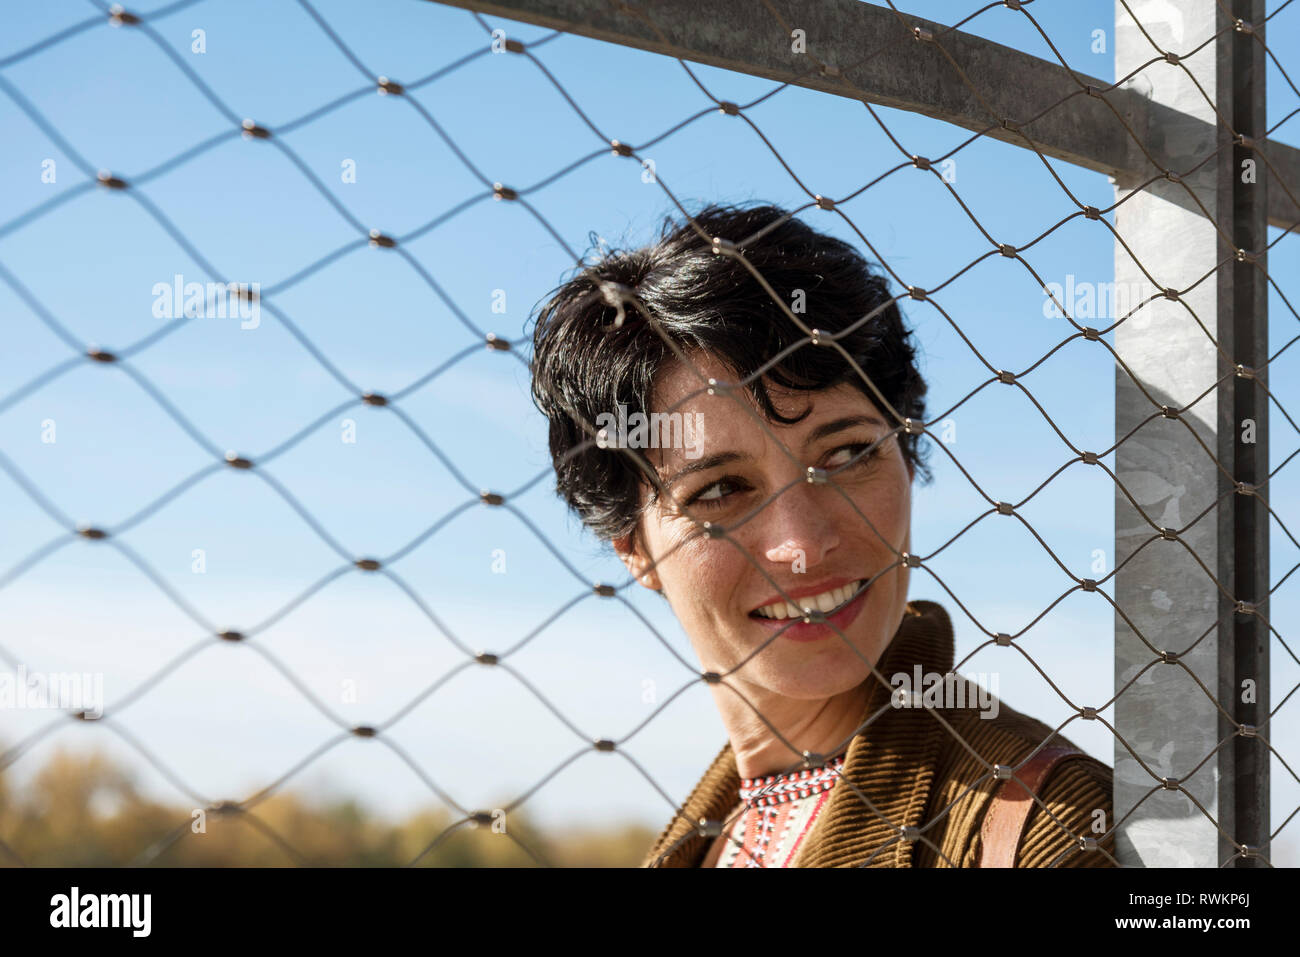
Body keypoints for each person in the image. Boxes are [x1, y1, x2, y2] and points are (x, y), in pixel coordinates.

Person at [528, 201, 1114, 868]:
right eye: (720, 490)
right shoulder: (711, 839)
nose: (803, 545)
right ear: (632, 546)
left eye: (845, 455)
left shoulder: (1046, 826)